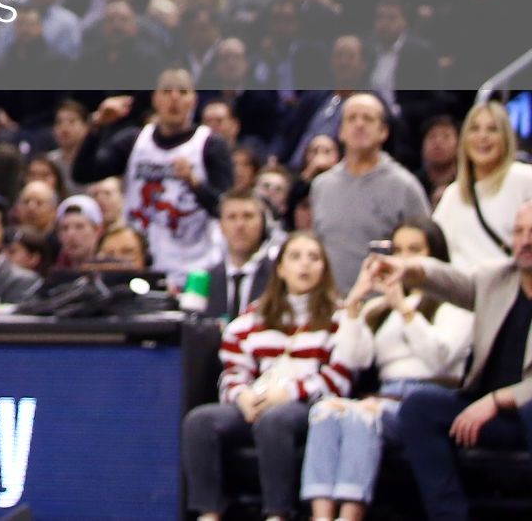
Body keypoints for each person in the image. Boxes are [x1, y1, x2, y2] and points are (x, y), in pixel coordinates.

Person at [301, 218, 471, 521]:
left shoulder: (454, 303)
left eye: (415, 250)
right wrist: (354, 302)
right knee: (325, 410)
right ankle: (322, 516)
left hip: (428, 399)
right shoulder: (378, 309)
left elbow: (440, 359)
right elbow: (352, 359)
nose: (404, 260)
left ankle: (351, 516)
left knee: (362, 415)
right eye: (398, 251)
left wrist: (405, 310)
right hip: (384, 395)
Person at [371, 201, 532, 521]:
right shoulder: (496, 279)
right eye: (519, 232)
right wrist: (411, 268)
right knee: (420, 406)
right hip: (482, 412)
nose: (526, 240)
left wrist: (499, 400)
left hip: (522, 410)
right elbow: (451, 280)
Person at [182, 230, 352, 521]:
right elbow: (233, 373)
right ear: (281, 268)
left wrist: (288, 394)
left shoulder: (340, 317)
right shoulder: (253, 318)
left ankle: (277, 512)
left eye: (314, 258)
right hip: (257, 402)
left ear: (324, 269)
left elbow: (339, 380)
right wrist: (242, 396)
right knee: (200, 421)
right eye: (296, 257)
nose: (305, 265)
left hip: (309, 406)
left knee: (276, 420)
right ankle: (208, 512)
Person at [76, 68, 233, 278]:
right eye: (167, 91)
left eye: (182, 92)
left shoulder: (210, 145)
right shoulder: (134, 141)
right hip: (138, 264)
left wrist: (194, 182)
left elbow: (225, 208)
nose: (174, 98)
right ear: (155, 99)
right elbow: (83, 173)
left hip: (193, 266)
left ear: (193, 101)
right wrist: (97, 125)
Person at [311, 93, 432, 289]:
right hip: (331, 310)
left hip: (385, 309)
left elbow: (426, 254)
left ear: (383, 131)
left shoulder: (405, 186)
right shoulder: (321, 187)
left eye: (368, 118)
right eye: (352, 118)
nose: (359, 124)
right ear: (341, 131)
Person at [432, 100, 532, 271]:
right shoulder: (453, 194)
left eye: (492, 129)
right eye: (474, 129)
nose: (482, 137)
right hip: (461, 292)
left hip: (512, 289)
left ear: (506, 137)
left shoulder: (524, 178)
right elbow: (434, 248)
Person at [206, 187, 276, 323]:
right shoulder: (207, 279)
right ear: (220, 226)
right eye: (232, 217)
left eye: (248, 216)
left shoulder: (277, 278)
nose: (240, 225)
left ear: (262, 222)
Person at [54, 195, 104, 271]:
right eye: (65, 228)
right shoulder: (53, 275)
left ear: (97, 230)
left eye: (79, 227)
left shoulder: (115, 271)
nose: (70, 234)